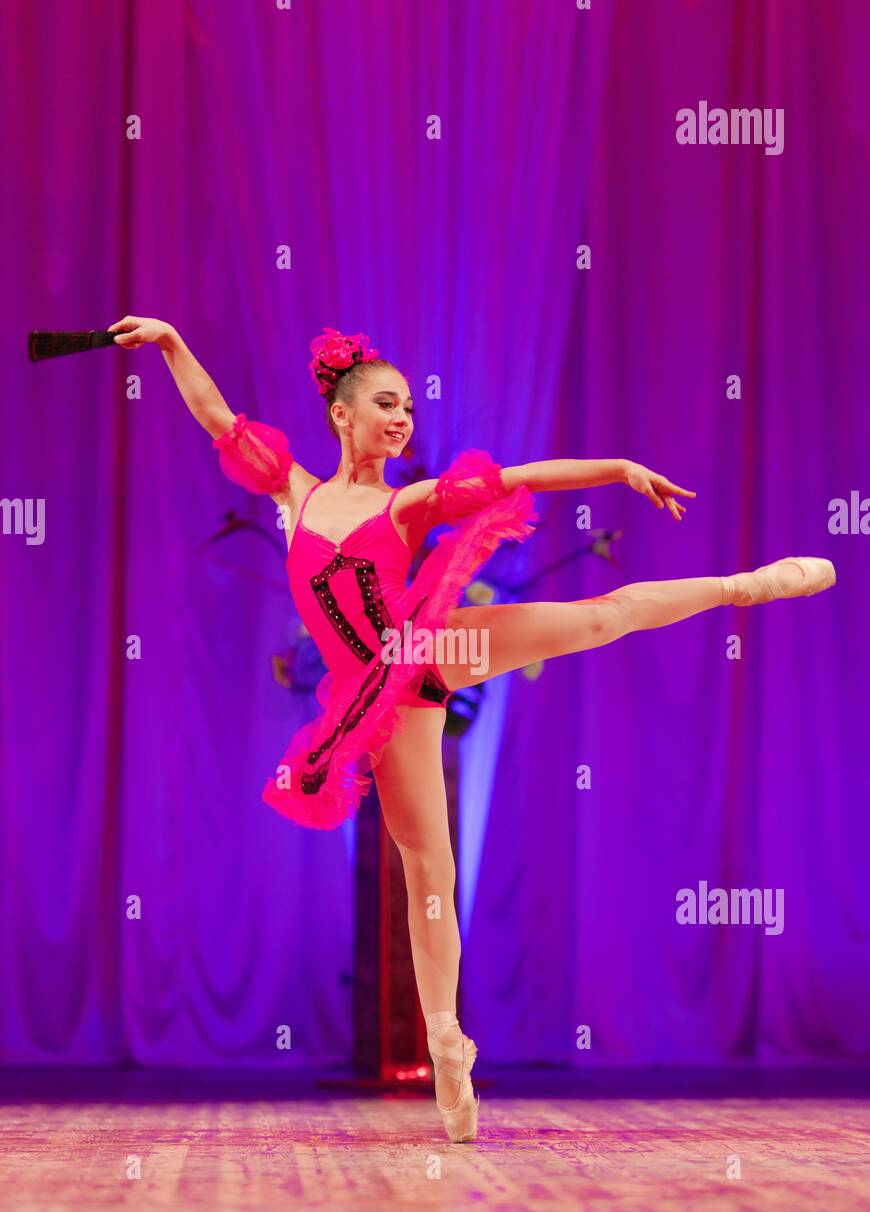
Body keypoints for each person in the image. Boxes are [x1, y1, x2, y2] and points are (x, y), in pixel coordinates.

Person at [107, 317, 836, 1142]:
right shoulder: (293, 493)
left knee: (597, 618)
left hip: (431, 647)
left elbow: (518, 476)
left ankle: (745, 585)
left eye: (410, 409)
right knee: (430, 873)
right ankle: (446, 1040)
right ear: (341, 414)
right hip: (368, 701)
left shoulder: (408, 503)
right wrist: (170, 342)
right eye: (386, 404)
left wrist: (618, 467)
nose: (402, 419)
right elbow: (217, 417)